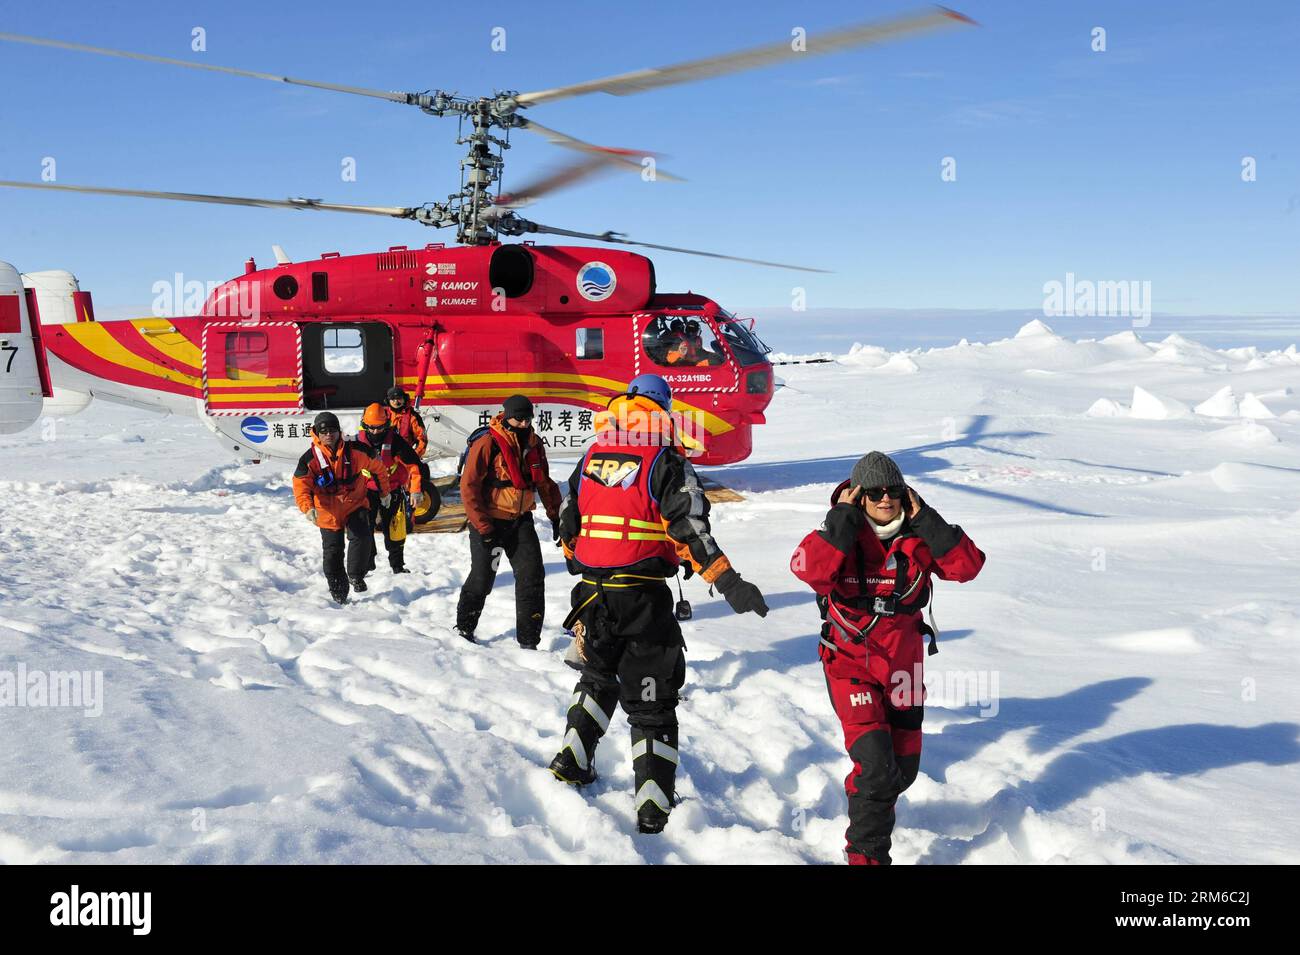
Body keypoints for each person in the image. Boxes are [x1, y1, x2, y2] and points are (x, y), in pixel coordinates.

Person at [548, 373, 769, 834]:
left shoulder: (593, 453)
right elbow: (689, 529)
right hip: (641, 597)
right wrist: (728, 582)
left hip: (590, 595)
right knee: (651, 700)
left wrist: (580, 560)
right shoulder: (665, 459)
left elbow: (569, 519)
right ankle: (653, 804)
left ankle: (572, 759)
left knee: (597, 677)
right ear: (662, 410)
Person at [790, 451, 985, 864]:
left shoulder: (918, 536)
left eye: (893, 491)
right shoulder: (839, 533)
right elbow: (809, 571)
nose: (884, 500)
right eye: (874, 492)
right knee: (877, 771)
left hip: (904, 669)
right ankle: (867, 857)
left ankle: (873, 807)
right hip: (849, 665)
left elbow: (968, 567)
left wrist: (928, 519)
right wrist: (841, 521)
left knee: (901, 772)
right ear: (858, 496)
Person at [455, 394, 562, 647]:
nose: (525, 424)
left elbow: (544, 483)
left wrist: (555, 514)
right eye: (519, 419)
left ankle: (528, 641)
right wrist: (483, 527)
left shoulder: (534, 444)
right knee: (482, 579)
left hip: (520, 521)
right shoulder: (487, 443)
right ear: (507, 416)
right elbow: (468, 488)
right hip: (489, 523)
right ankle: (464, 628)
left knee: (532, 576)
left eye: (528, 418)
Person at [292, 411, 392, 604]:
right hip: (327, 511)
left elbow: (378, 469)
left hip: (355, 503)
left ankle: (355, 575)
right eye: (324, 431)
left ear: (339, 432)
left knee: (362, 536)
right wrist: (307, 508)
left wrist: (384, 493)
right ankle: (338, 592)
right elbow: (300, 485)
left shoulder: (357, 451)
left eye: (332, 430)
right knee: (332, 552)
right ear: (316, 434)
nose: (328, 434)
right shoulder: (309, 459)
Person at [355, 402, 425, 578]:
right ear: (365, 426)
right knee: (365, 528)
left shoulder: (395, 441)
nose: (376, 432)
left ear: (386, 425)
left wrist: (415, 490)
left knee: (396, 528)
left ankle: (397, 566)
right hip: (366, 491)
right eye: (372, 428)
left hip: (392, 489)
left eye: (380, 428)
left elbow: (414, 466)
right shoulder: (357, 442)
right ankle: (368, 564)